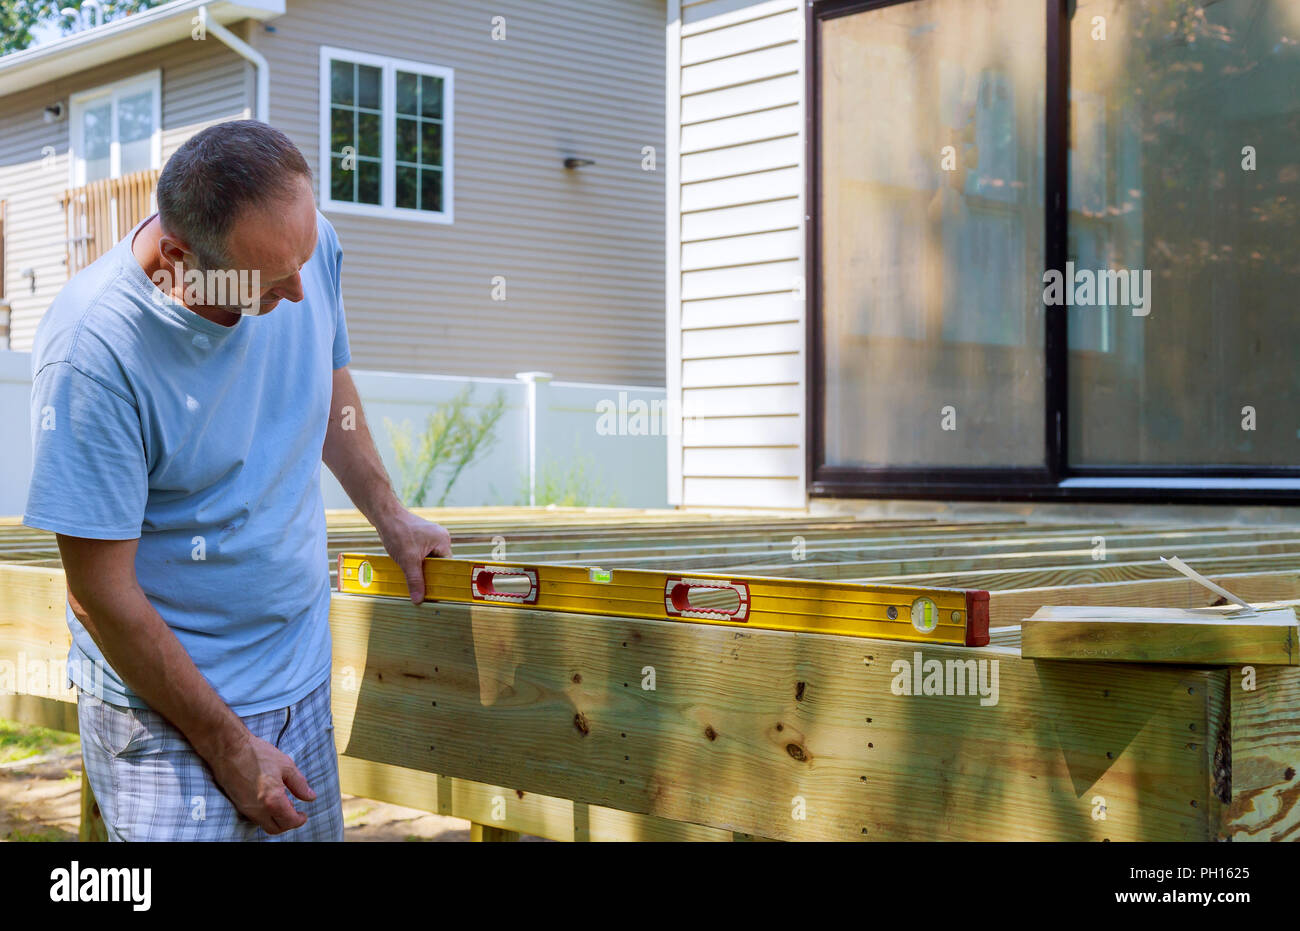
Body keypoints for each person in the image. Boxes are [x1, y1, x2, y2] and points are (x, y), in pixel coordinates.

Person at [22, 119, 450, 841]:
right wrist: (228, 747)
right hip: (164, 714)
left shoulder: (298, 249)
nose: (301, 290)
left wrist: (391, 514)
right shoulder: (94, 351)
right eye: (273, 281)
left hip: (301, 680)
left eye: (305, 259)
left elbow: (327, 382)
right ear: (180, 257)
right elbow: (99, 594)